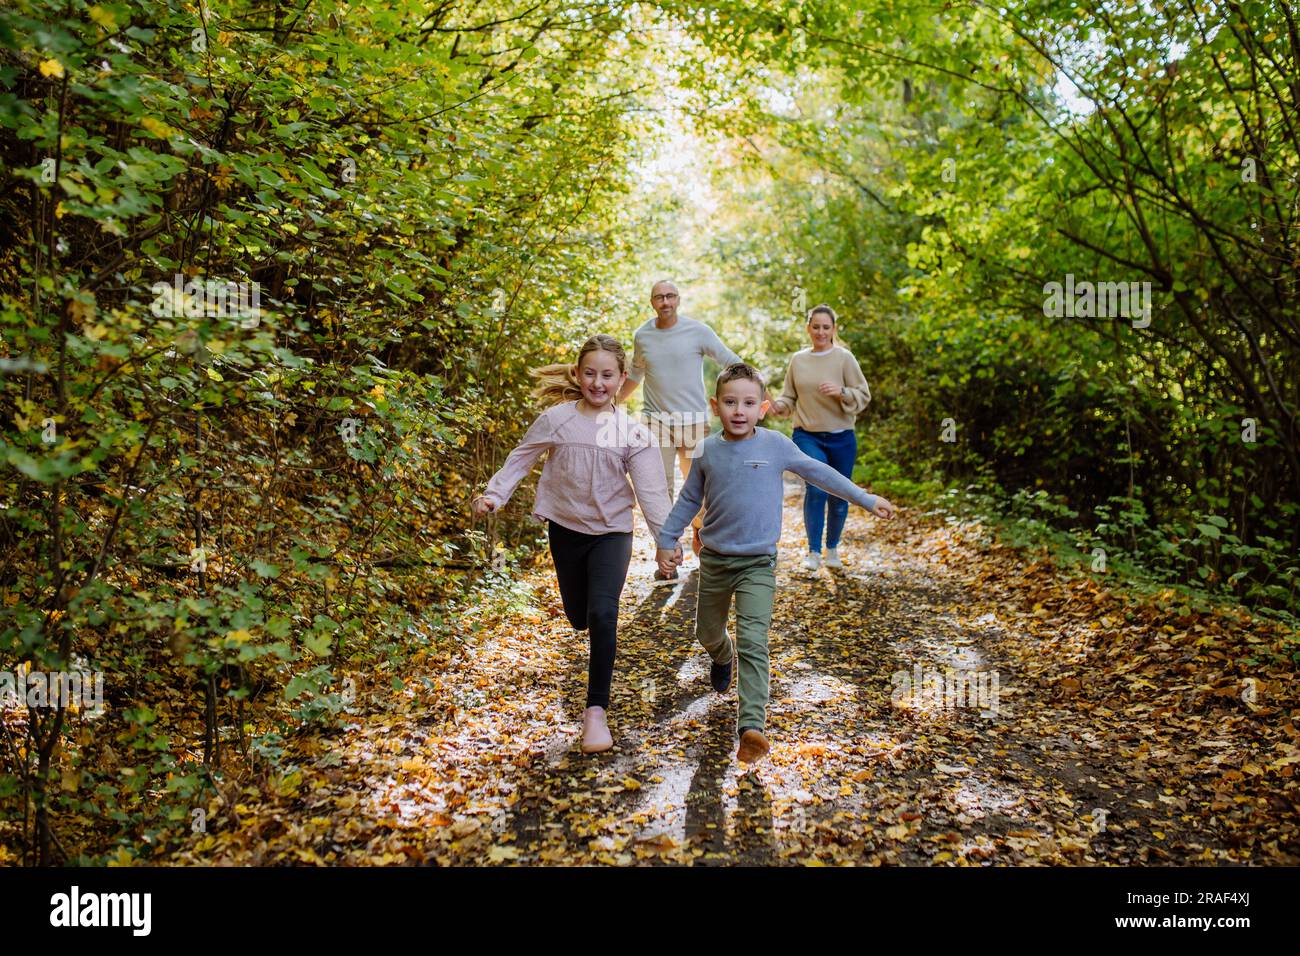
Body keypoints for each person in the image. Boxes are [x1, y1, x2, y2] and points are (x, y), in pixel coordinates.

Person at [655, 362, 895, 763]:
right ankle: (721, 654)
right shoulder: (708, 451)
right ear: (716, 406)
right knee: (707, 632)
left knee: (755, 641)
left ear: (763, 408)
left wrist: (865, 499)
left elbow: (820, 473)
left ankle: (751, 727)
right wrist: (667, 539)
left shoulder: (776, 446)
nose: (739, 410)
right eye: (730, 402)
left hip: (758, 565)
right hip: (714, 561)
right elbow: (688, 500)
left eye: (748, 403)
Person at [471, 334, 670, 754]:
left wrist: (664, 542)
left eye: (608, 375)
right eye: (591, 374)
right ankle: (587, 634)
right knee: (579, 616)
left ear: (621, 380)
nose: (598, 383)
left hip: (612, 533)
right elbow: (521, 457)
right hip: (565, 529)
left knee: (603, 614)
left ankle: (595, 712)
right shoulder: (556, 419)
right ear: (577, 375)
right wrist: (494, 495)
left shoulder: (632, 433)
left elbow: (652, 491)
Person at [618, 279, 742, 584]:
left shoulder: (697, 331)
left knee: (698, 486)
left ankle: (700, 528)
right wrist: (610, 402)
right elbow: (635, 373)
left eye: (670, 296)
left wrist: (752, 390)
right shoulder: (643, 335)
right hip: (655, 422)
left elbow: (729, 360)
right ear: (652, 302)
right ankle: (667, 556)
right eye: (659, 297)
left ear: (678, 299)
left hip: (694, 421)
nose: (665, 302)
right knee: (659, 489)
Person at [769, 305, 872, 572]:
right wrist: (777, 406)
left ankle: (832, 549)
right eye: (816, 326)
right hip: (807, 435)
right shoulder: (798, 360)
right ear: (808, 328)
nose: (821, 332)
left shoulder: (844, 358)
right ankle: (813, 552)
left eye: (826, 327)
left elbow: (863, 395)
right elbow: (788, 397)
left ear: (833, 329)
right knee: (815, 487)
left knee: (840, 495)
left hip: (841, 437)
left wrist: (842, 392)